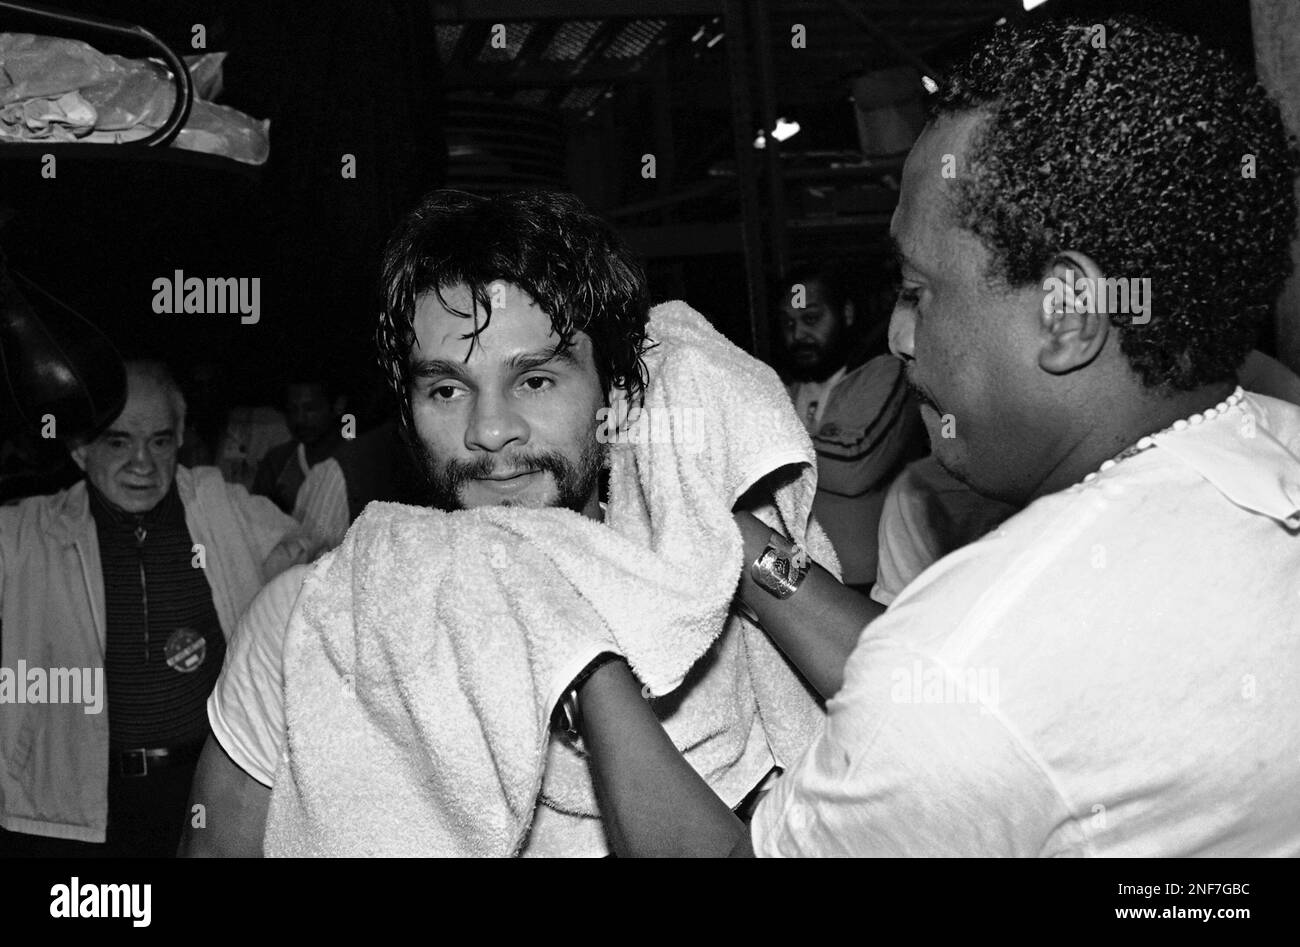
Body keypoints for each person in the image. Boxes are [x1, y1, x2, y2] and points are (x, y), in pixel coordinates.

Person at [564, 15, 1300, 857]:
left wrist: (583, 643)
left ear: (1066, 314)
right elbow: (951, 695)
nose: (896, 336)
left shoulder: (987, 651)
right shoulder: (1268, 445)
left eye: (917, 290)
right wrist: (739, 543)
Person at [182, 189, 788, 857]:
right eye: (446, 389)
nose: (490, 431)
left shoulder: (706, 603)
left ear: (613, 388)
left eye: (534, 380)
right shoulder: (311, 622)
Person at [0, 359, 314, 857]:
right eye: (118, 442)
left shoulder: (224, 509)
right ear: (81, 449)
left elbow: (320, 567)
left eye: (160, 441)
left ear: (181, 437)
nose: (142, 463)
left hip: (208, 790)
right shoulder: (27, 535)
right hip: (81, 805)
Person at [773, 265, 920, 589]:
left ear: (847, 313)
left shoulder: (887, 372)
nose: (797, 336)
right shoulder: (780, 388)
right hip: (798, 584)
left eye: (811, 319)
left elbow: (853, 467)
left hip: (872, 591)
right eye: (788, 323)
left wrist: (763, 448)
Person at [252, 373, 348, 514]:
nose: (299, 419)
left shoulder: (354, 462)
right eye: (292, 410)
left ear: (338, 406)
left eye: (310, 409)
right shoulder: (277, 462)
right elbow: (256, 520)